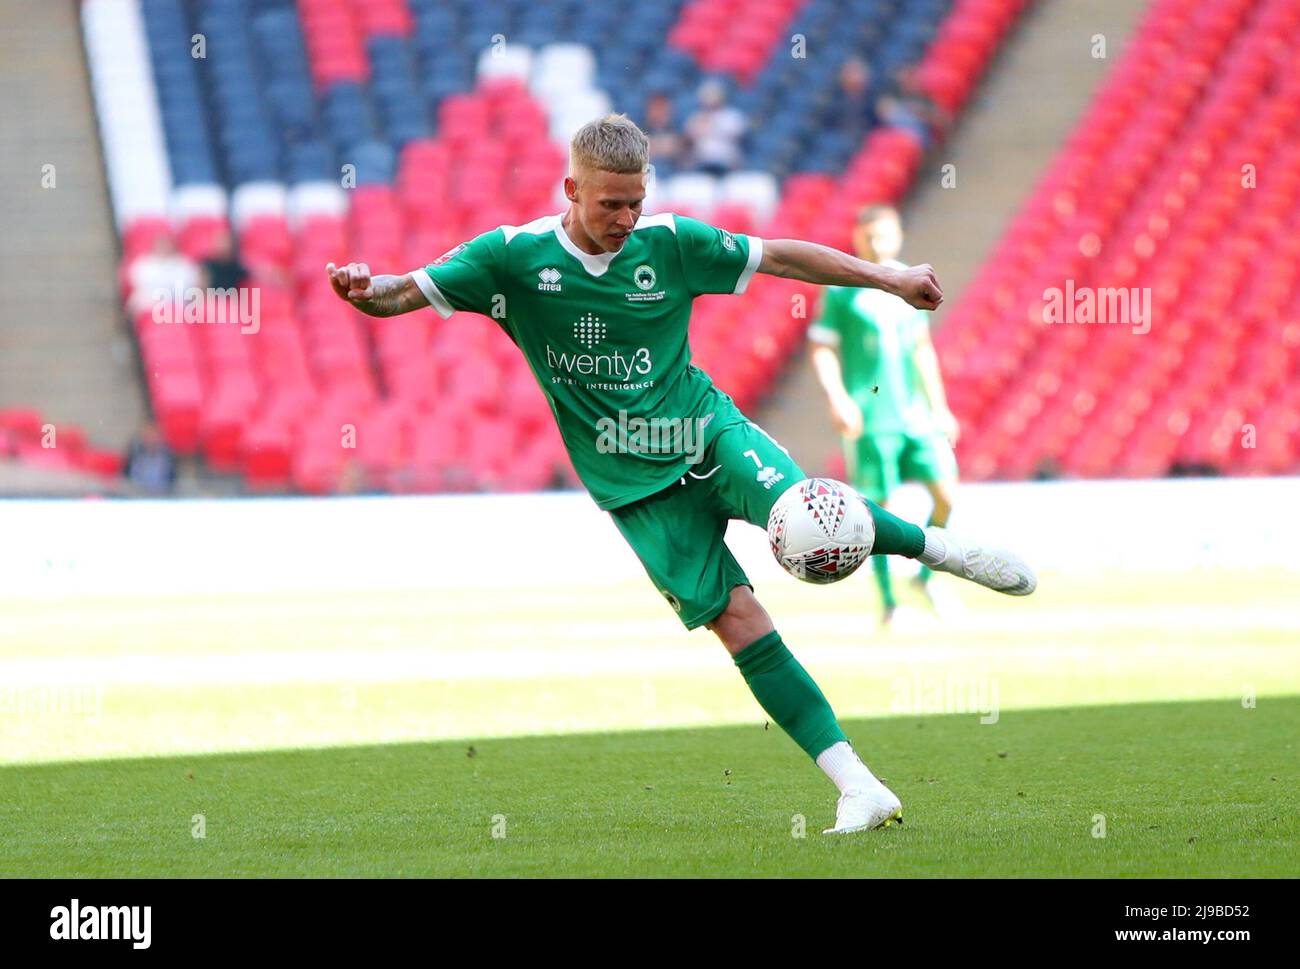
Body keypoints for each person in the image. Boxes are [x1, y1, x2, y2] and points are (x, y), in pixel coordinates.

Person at [324, 115, 1035, 835]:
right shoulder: (510, 258)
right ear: (571, 189)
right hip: (633, 485)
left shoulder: (669, 243)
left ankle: (943, 551)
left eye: (636, 201)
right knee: (738, 620)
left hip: (706, 433)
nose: (626, 219)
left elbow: (781, 258)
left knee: (809, 510)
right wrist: (362, 287)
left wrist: (889, 277)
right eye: (610, 204)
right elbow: (402, 292)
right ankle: (859, 786)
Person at [810, 204, 961, 626]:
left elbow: (922, 349)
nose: (876, 242)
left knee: (947, 494)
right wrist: (838, 397)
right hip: (871, 417)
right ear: (857, 237)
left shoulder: (910, 282)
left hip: (915, 414)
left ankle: (927, 578)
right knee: (879, 511)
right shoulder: (841, 288)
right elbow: (822, 347)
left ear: (898, 235)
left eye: (884, 234)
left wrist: (940, 407)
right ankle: (890, 603)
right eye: (869, 235)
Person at [684, 80, 746, 177]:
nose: (710, 99)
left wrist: (712, 124)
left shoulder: (731, 115)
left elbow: (736, 134)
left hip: (726, 161)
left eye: (713, 95)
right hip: (701, 162)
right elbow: (689, 137)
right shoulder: (697, 116)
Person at [124, 421, 177, 495]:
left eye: (153, 435)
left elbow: (172, 481)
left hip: (162, 496)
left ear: (159, 437)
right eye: (147, 435)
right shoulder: (134, 455)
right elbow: (127, 479)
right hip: (137, 495)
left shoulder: (168, 457)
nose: (150, 439)